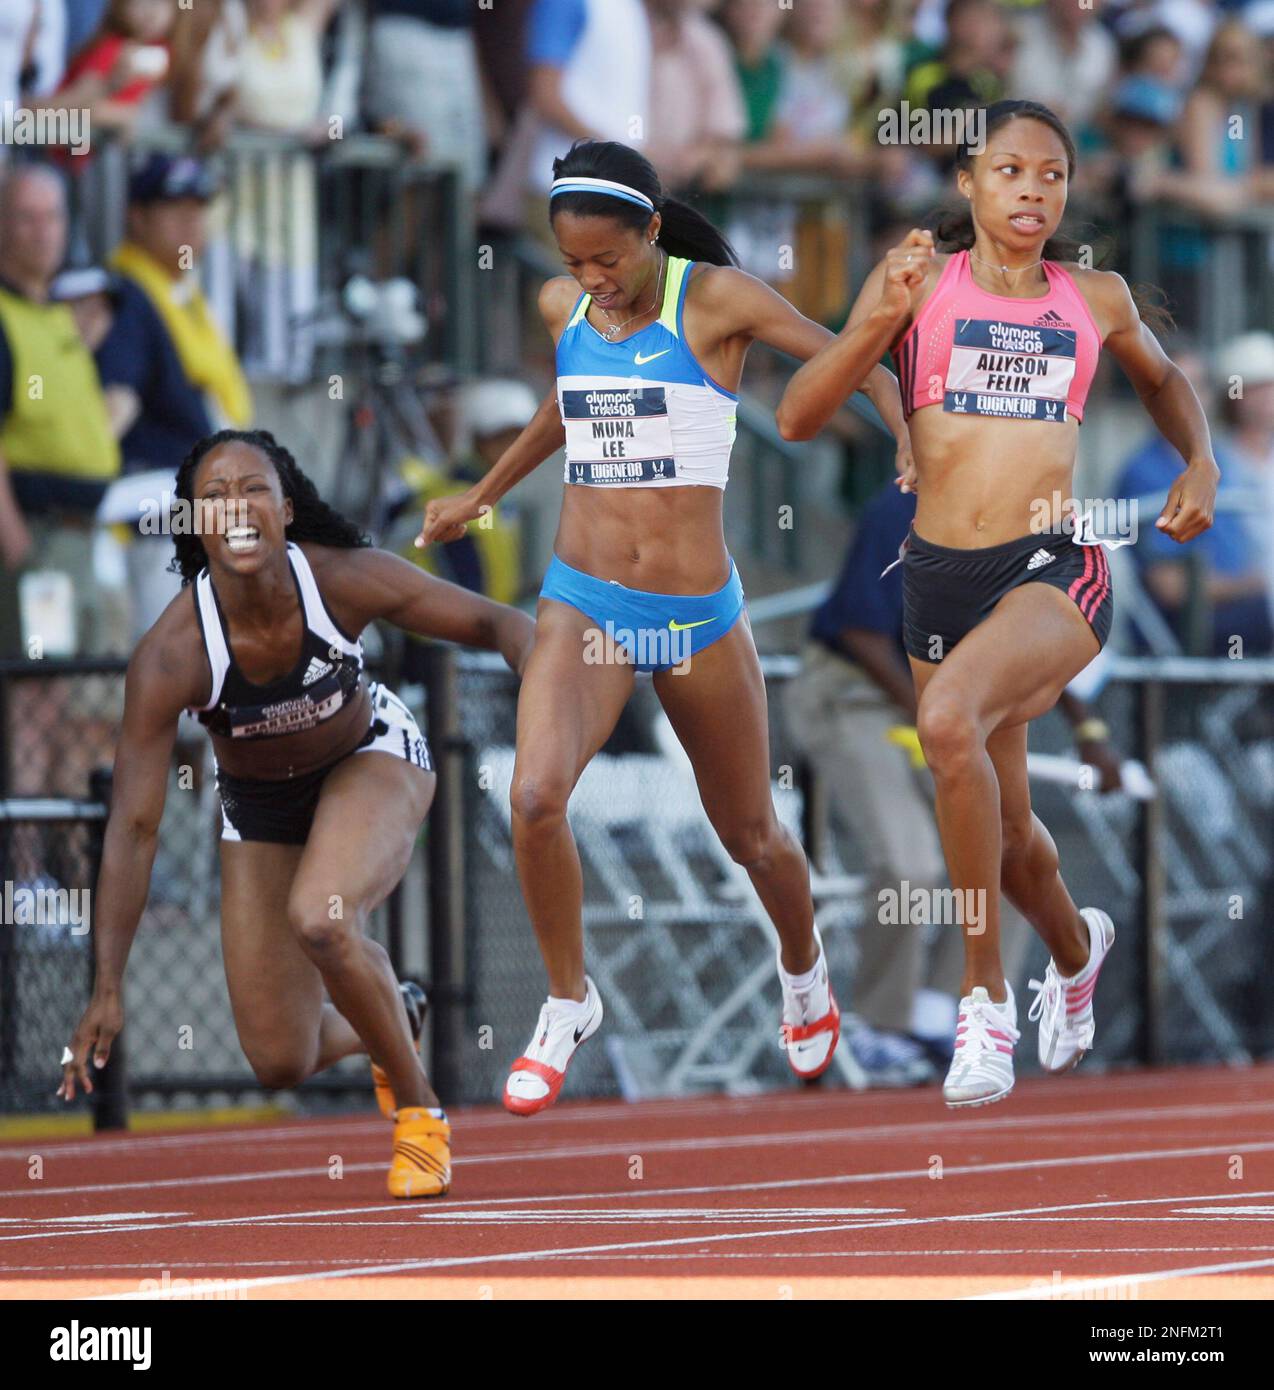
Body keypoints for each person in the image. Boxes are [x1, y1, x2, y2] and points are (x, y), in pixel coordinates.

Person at [419, 137, 911, 1114]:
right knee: (533, 797)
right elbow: (567, 407)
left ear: (650, 231)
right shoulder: (565, 309)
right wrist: (477, 494)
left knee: (753, 835)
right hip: (585, 599)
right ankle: (568, 997)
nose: (591, 281)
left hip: (693, 615)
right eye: (573, 265)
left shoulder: (717, 300)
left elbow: (853, 361)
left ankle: (803, 966)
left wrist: (907, 441)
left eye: (608, 260)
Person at [777, 99, 1219, 1107]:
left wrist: (1195, 460)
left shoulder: (1091, 295)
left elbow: (1162, 382)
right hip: (938, 576)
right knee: (1011, 834)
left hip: (1054, 563)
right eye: (1009, 171)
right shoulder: (915, 282)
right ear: (969, 187)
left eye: (1050, 175)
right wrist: (880, 323)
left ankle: (982, 996)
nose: (1031, 190)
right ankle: (1073, 946)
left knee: (943, 722)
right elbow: (799, 414)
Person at [58, 428, 535, 1198]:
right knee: (280, 1058)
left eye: (252, 489)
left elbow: (498, 624)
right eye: (213, 498)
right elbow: (136, 825)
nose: (235, 508)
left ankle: (420, 1116)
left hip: (368, 759)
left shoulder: (340, 580)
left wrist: (543, 690)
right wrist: (108, 981)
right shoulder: (173, 653)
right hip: (258, 807)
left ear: (285, 508)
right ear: (192, 525)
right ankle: (393, 1013)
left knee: (321, 917)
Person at [786, 478, 1126, 1082]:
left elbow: (1030, 639)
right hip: (857, 694)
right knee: (911, 862)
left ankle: (940, 1013)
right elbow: (862, 633)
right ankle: (881, 1027)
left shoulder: (1022, 508)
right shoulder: (896, 508)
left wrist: (1090, 732)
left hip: (952, 702)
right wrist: (939, 718)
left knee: (999, 846)